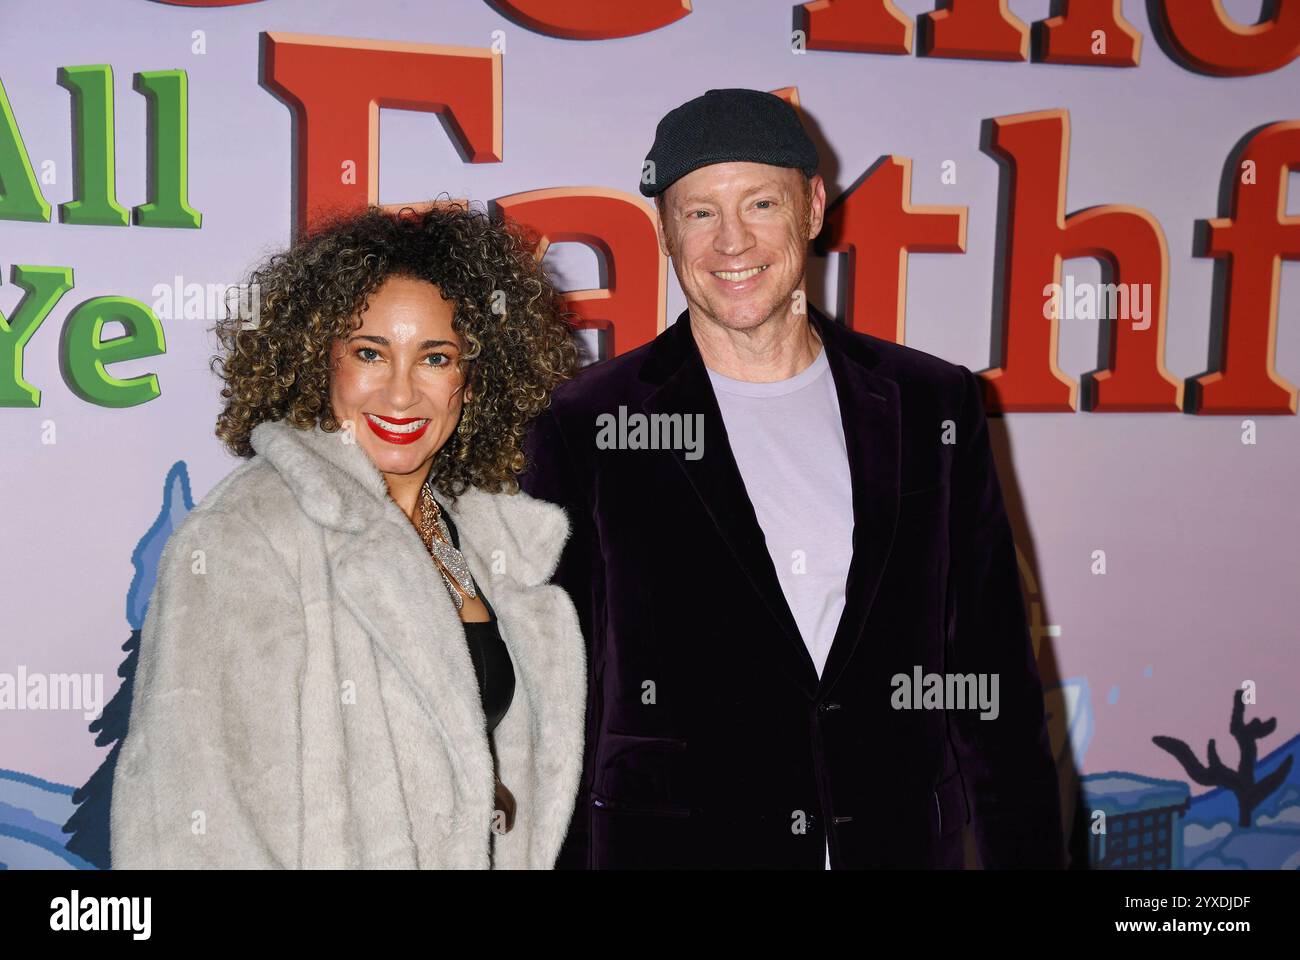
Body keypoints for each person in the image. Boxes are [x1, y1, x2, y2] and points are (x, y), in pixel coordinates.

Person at [520, 89, 1065, 868]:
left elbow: (991, 678)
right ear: (665, 228)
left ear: (812, 206)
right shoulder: (585, 422)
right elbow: (557, 699)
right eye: (699, 212)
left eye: (760, 203)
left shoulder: (930, 403)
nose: (730, 241)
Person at [111, 203, 586, 869]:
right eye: (370, 353)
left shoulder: (479, 540)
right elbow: (194, 829)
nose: (400, 393)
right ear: (320, 361)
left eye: (435, 357)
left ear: (471, 382)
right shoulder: (246, 537)